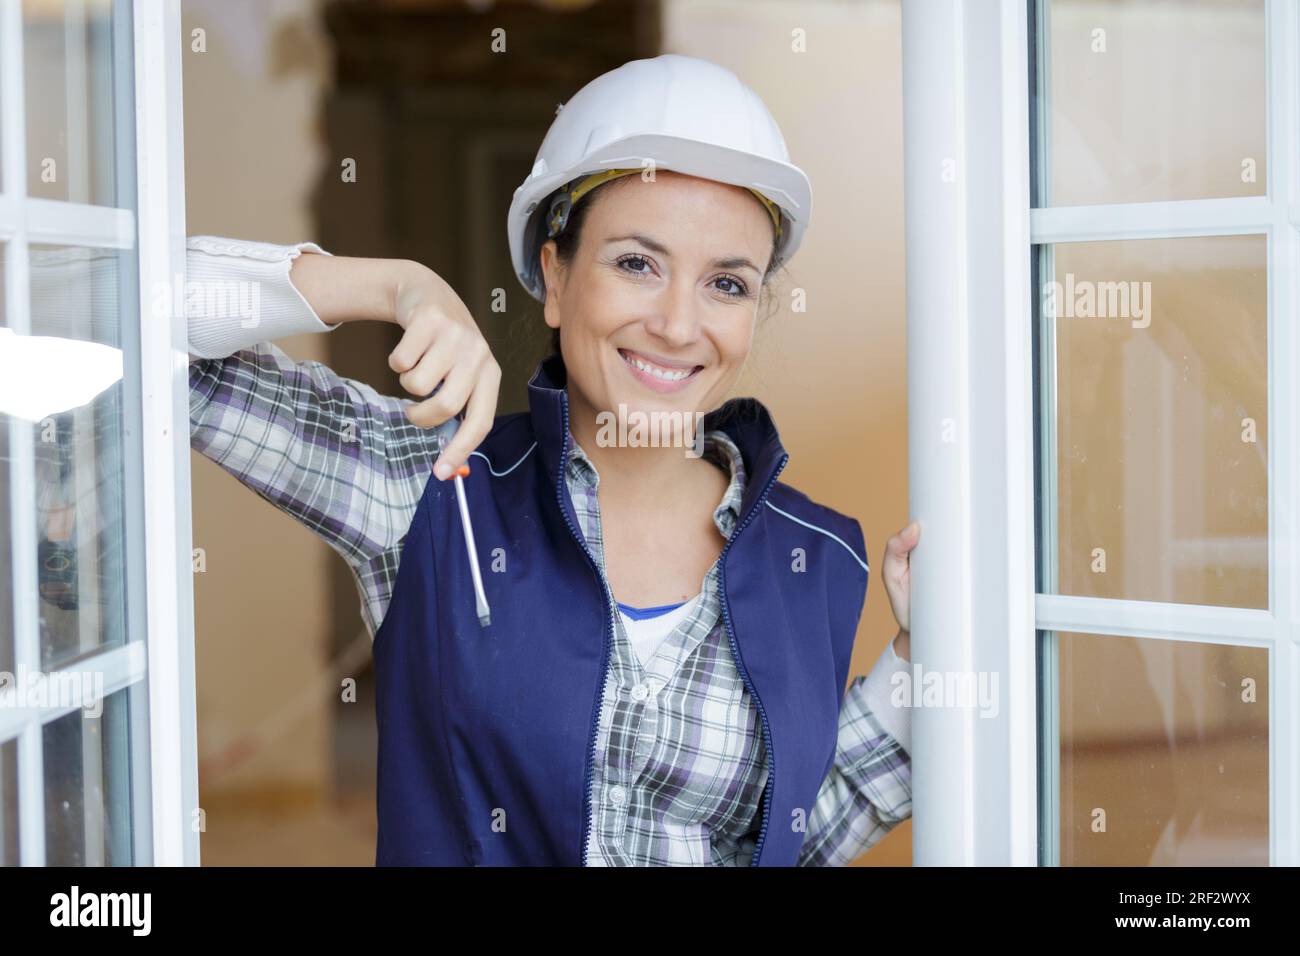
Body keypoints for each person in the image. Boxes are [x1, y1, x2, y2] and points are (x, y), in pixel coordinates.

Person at [186, 53, 923, 866]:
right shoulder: (434, 484)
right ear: (555, 274)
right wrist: (398, 287)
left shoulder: (815, 556)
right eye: (637, 263)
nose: (680, 326)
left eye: (727, 284)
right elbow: (142, 316)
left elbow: (789, 839)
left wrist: (921, 661)